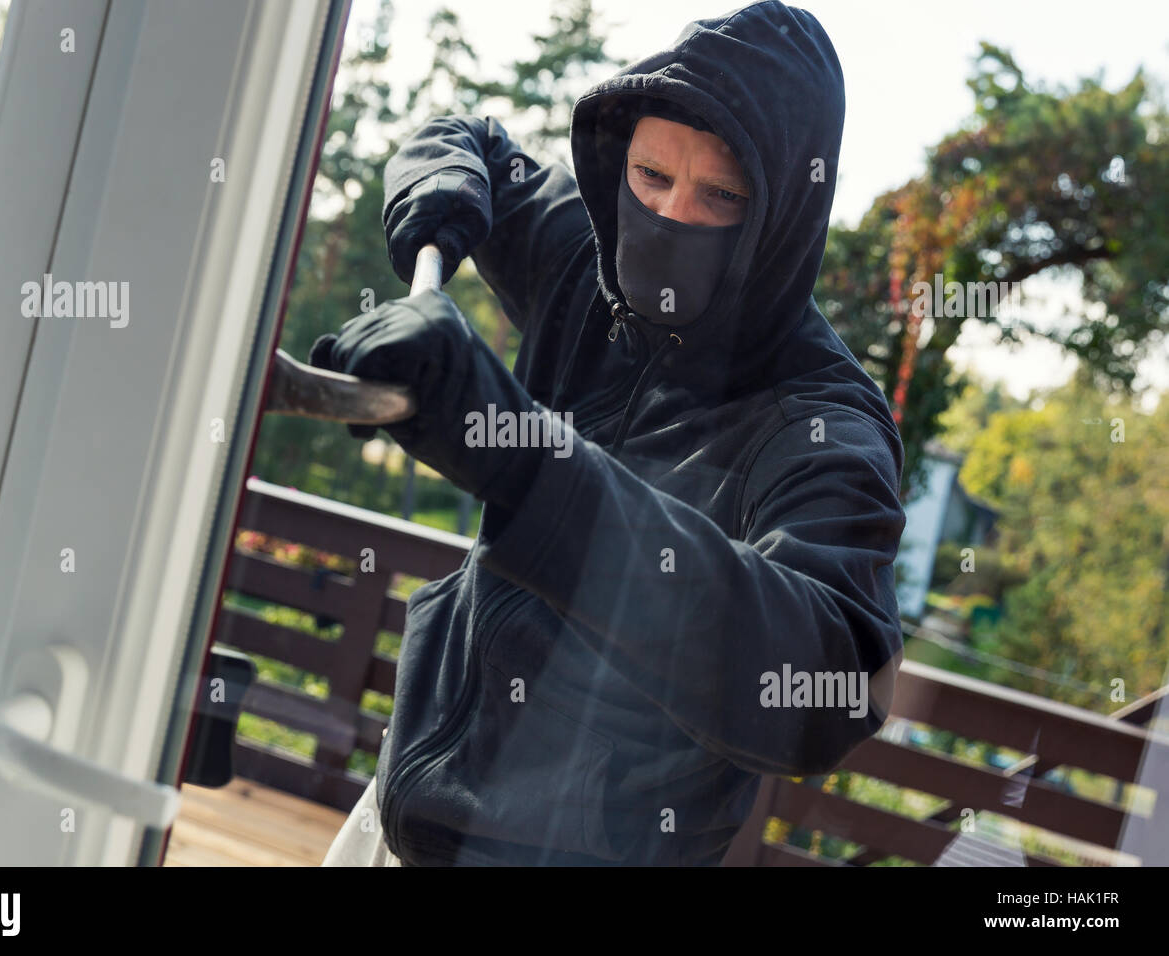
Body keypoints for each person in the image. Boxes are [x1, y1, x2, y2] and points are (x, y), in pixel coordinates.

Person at [312, 0, 905, 866]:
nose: (668, 215)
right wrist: (440, 197)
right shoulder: (582, 267)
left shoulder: (823, 425)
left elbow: (827, 685)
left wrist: (523, 465)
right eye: (650, 176)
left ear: (783, 218)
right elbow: (471, 136)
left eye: (722, 195)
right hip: (398, 819)